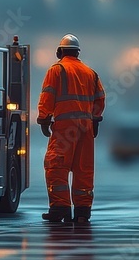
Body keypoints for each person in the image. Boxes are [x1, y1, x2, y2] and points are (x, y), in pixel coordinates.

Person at [37, 34, 105, 225]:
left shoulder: (57, 70)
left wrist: (43, 118)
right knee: (83, 170)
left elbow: (47, 96)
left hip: (65, 129)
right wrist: (95, 119)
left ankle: (60, 208)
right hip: (85, 129)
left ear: (59, 52)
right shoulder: (90, 73)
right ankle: (82, 212)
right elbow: (100, 98)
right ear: (77, 52)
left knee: (56, 166)